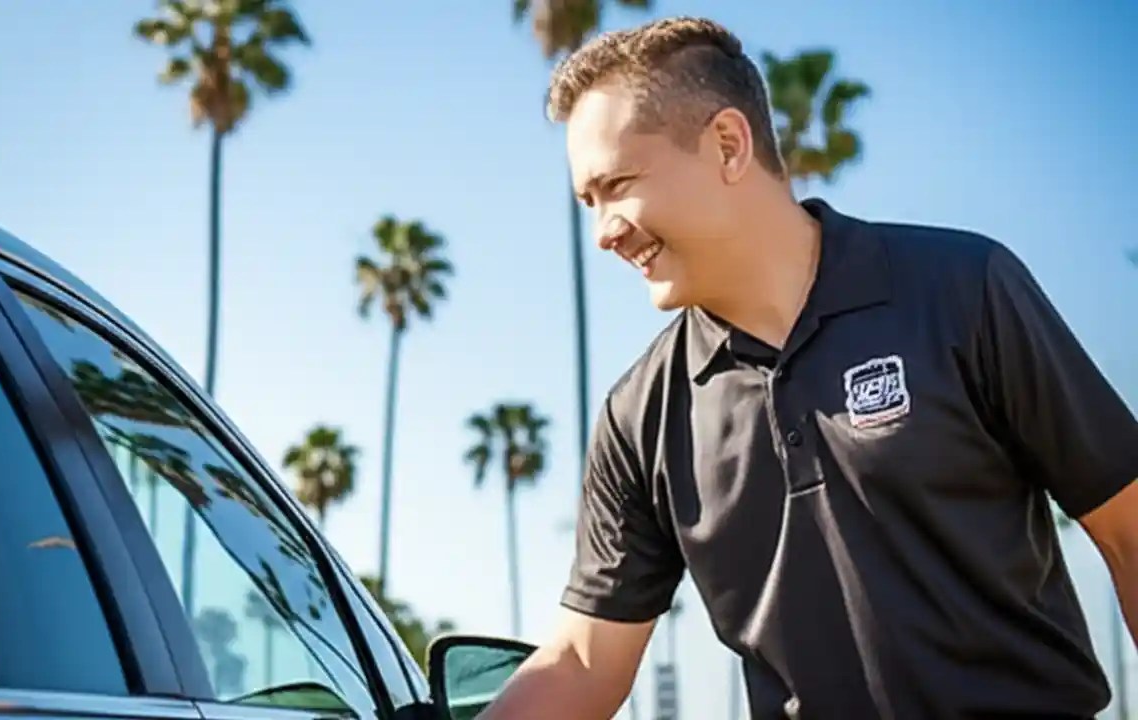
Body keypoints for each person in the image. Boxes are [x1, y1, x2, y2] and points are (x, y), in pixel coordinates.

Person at [478, 15, 1138, 720]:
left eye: (618, 185)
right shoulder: (639, 415)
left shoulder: (963, 288)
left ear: (728, 145)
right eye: (589, 201)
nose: (603, 232)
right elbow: (583, 661)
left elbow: (1127, 531)